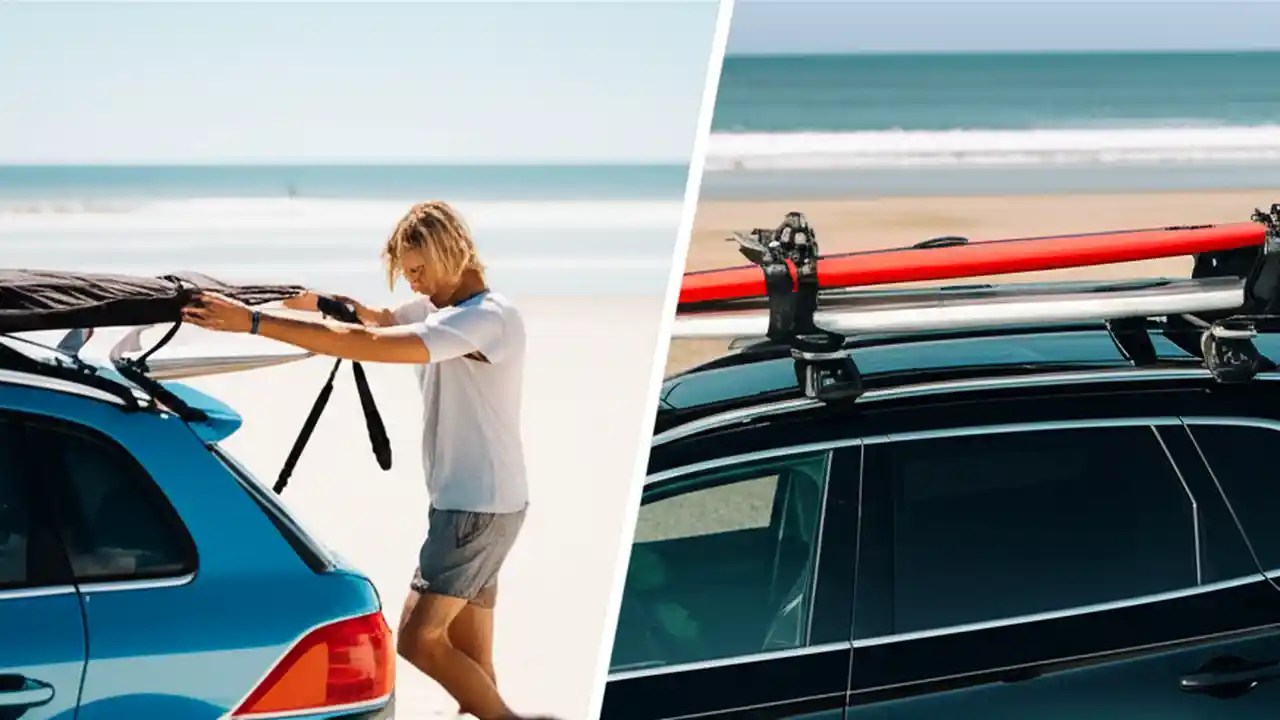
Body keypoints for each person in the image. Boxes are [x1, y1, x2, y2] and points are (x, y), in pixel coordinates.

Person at [182, 200, 545, 720]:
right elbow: (370, 317)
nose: (414, 284)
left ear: (450, 251)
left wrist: (255, 324)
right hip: (480, 502)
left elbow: (368, 341)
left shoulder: (488, 321)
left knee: (419, 640)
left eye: (419, 270)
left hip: (476, 508)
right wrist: (304, 301)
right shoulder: (441, 312)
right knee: (470, 659)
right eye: (407, 274)